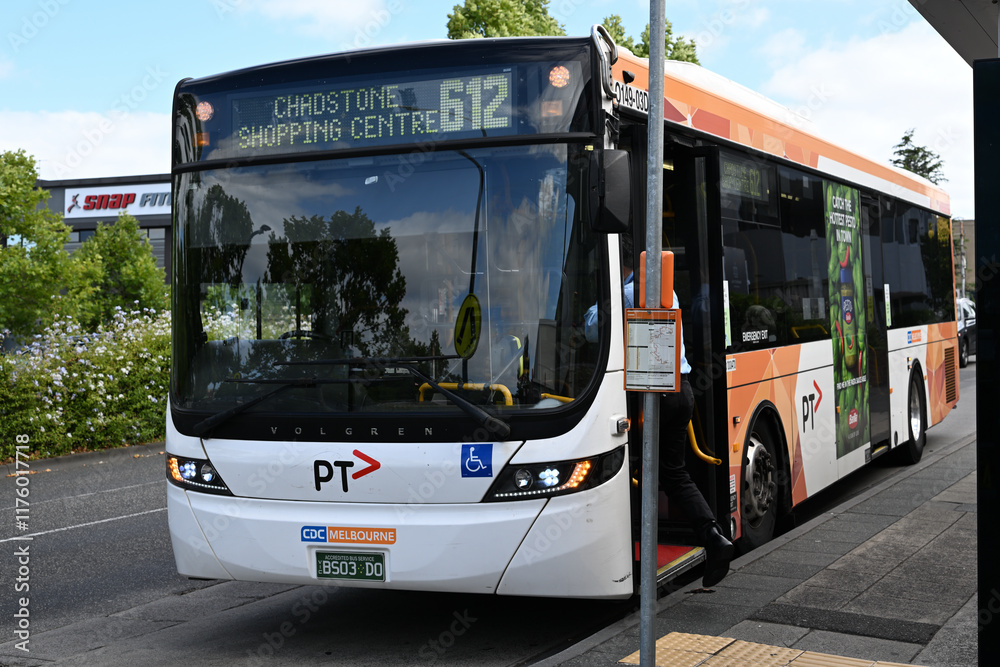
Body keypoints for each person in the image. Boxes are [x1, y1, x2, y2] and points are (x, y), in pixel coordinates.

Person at [587, 240, 733, 587]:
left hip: (651, 399)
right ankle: (713, 535)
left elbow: (592, 327)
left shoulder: (628, 294)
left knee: (627, 468)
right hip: (680, 391)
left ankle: (628, 551)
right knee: (672, 472)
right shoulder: (668, 293)